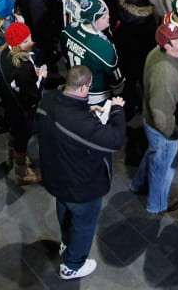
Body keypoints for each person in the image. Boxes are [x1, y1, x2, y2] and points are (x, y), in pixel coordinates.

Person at [36, 65, 127, 280]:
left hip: (56, 176)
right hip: (81, 186)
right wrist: (116, 110)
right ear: (85, 88)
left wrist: (88, 111)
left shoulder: (48, 100)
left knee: (65, 211)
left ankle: (66, 243)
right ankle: (72, 265)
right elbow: (115, 141)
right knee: (84, 224)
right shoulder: (80, 125)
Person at [131, 23, 178, 214]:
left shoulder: (157, 52)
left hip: (152, 122)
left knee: (154, 155)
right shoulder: (165, 74)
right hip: (163, 129)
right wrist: (173, 133)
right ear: (168, 46)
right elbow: (161, 116)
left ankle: (139, 184)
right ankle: (157, 204)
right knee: (163, 169)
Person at [0, 22, 45, 186]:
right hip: (23, 109)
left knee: (14, 130)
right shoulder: (23, 66)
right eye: (26, 40)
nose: (31, 42)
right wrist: (41, 78)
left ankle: (11, 157)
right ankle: (21, 171)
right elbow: (33, 96)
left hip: (10, 103)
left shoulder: (2, 52)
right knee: (23, 136)